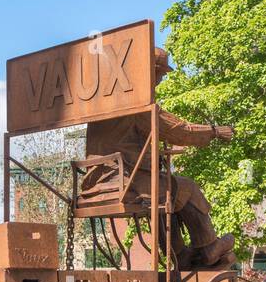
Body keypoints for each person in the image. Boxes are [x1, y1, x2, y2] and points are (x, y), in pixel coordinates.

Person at [84, 48, 235, 270]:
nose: (161, 81)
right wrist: (213, 131)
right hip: (125, 182)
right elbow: (179, 131)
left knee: (168, 195)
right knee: (187, 188)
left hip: (97, 182)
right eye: (161, 74)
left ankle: (179, 255)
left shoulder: (105, 102)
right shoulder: (136, 103)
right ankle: (208, 245)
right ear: (149, 72)